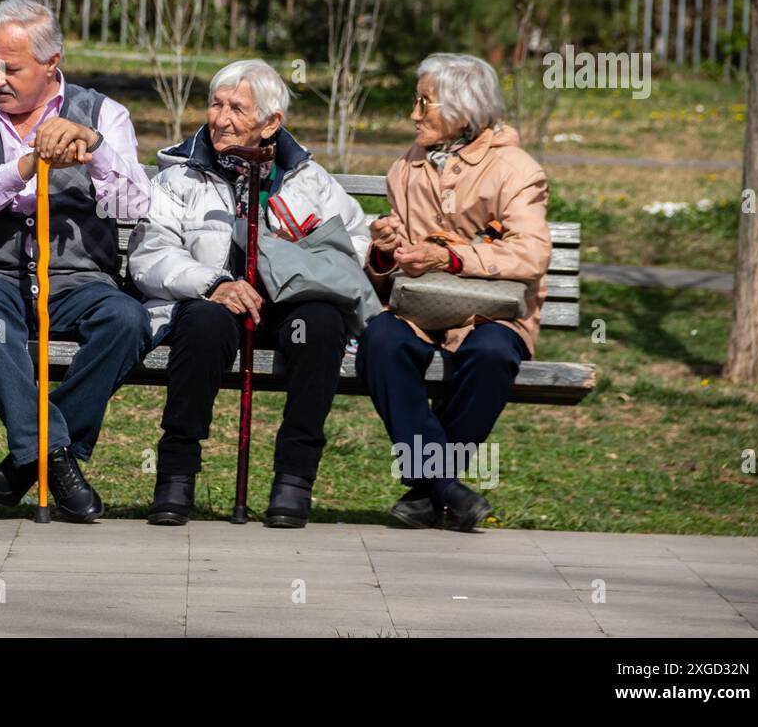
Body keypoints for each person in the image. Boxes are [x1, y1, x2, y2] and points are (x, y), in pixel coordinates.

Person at [127, 60, 371, 528]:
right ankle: (176, 474)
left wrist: (305, 268)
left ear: (270, 123)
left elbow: (355, 240)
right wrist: (214, 283)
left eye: (237, 108)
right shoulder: (179, 176)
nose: (220, 118)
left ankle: (294, 480)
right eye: (215, 104)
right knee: (201, 324)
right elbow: (149, 255)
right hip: (213, 303)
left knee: (320, 325)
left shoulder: (307, 179)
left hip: (287, 309)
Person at [0, 0, 152, 524]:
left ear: (51, 63)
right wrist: (24, 167)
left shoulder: (104, 114)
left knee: (127, 320)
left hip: (79, 276)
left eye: (10, 67)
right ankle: (58, 459)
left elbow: (135, 205)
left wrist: (96, 149)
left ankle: (26, 464)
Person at [355, 53, 551, 531]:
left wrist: (451, 257)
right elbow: (388, 276)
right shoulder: (406, 168)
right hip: (421, 311)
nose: (414, 114)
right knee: (380, 341)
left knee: (490, 356)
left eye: (425, 102)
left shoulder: (516, 169)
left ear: (464, 109)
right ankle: (444, 487)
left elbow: (530, 255)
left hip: (492, 315)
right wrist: (383, 254)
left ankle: (429, 487)